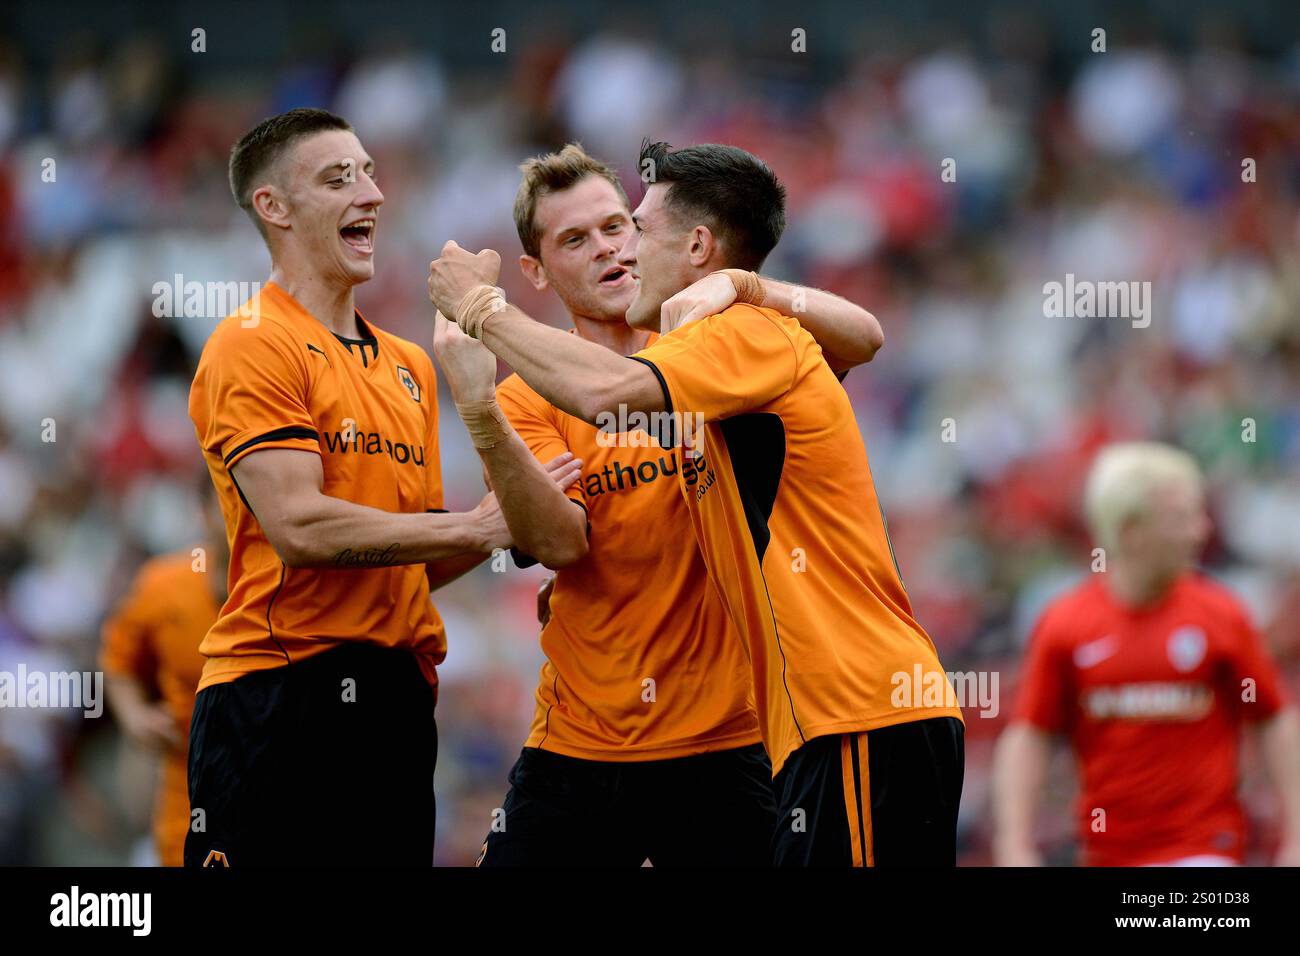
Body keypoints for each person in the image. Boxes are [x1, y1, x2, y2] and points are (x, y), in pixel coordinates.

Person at [428, 140, 964, 867]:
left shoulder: (723, 343)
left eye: (627, 228)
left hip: (826, 716)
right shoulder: (689, 362)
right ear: (540, 269)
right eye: (577, 240)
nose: (618, 251)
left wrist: (480, 308)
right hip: (631, 734)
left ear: (699, 244)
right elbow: (558, 539)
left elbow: (609, 390)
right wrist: (482, 408)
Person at [184, 107, 579, 867]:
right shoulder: (251, 344)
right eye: (339, 178)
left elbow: (407, 556)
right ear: (274, 207)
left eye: (369, 171)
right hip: (281, 693)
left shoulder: (406, 361)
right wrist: (475, 529)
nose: (370, 192)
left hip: (397, 698)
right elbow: (299, 529)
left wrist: (513, 521)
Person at [992, 442, 1300, 867]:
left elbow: (1275, 718)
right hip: (1106, 854)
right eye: (1182, 518)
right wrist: (1015, 845)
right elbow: (1029, 734)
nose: (1201, 531)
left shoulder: (1221, 615)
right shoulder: (1066, 624)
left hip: (1204, 849)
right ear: (1131, 531)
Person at [101, 484, 226, 866]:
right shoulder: (164, 584)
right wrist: (135, 717)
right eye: (229, 501)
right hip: (188, 791)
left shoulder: (296, 586)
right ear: (203, 512)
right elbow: (117, 661)